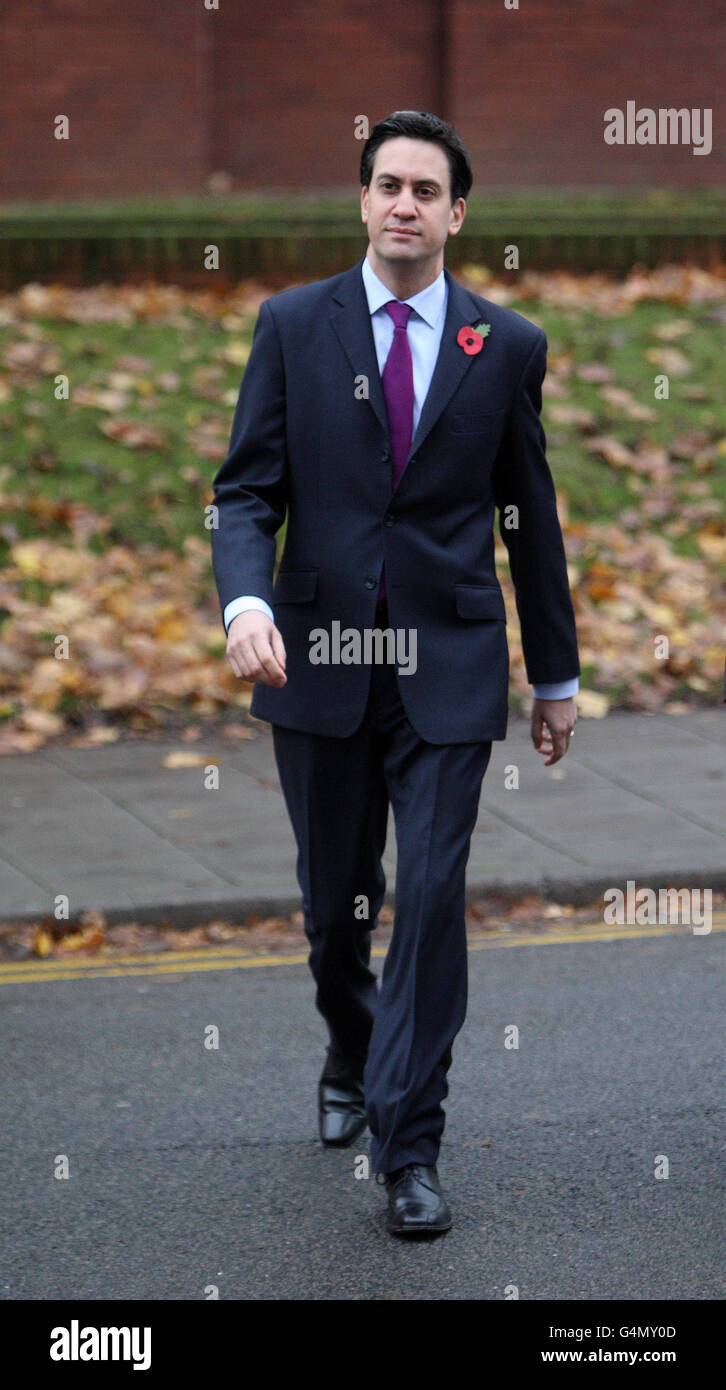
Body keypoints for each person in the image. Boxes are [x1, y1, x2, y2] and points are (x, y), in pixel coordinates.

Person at [211, 110, 579, 1237]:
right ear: (363, 201)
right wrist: (245, 601)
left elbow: (530, 517)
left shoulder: (504, 345)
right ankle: (350, 1038)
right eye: (388, 184)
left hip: (448, 663)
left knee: (427, 899)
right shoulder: (291, 324)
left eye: (427, 188)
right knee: (338, 908)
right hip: (319, 658)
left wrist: (554, 675)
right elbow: (245, 491)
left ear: (457, 214)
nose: (405, 203)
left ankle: (409, 1147)